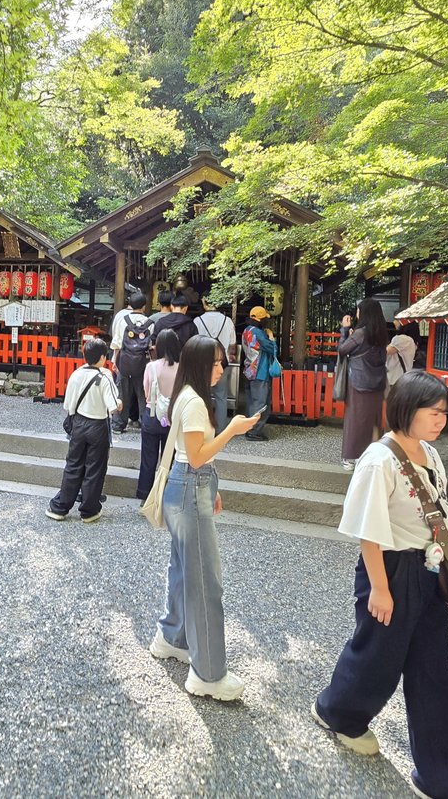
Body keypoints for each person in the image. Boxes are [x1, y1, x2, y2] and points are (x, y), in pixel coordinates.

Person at [314, 371, 448, 799]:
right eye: (433, 412)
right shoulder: (379, 458)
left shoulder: (429, 453)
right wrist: (380, 589)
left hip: (427, 569)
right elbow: (367, 531)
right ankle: (338, 713)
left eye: (445, 412)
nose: (440, 420)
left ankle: (446, 777)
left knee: (433, 669)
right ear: (407, 409)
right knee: (378, 656)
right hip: (388, 568)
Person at [149, 335, 259, 701]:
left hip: (187, 486)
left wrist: (212, 487)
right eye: (214, 363)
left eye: (221, 363)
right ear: (198, 363)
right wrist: (232, 430)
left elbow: (192, 456)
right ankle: (208, 674)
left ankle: (174, 636)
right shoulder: (196, 402)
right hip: (190, 486)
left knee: (184, 569)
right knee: (206, 583)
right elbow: (197, 457)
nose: (220, 369)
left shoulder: (187, 396)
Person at [46, 338, 120, 523]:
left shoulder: (76, 374)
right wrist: (120, 403)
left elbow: (67, 405)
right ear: (103, 357)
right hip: (98, 426)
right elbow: (113, 406)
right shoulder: (105, 376)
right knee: (94, 469)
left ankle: (60, 508)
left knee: (73, 465)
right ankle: (89, 510)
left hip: (78, 424)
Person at [338, 299, 389, 468]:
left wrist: (345, 331)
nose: (357, 313)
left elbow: (343, 350)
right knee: (372, 420)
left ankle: (351, 457)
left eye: (359, 310)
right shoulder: (382, 334)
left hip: (359, 382)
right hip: (378, 382)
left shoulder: (361, 333)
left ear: (364, 312)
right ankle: (369, 456)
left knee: (355, 419)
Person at [136, 329, 181, 502]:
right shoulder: (183, 367)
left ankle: (145, 497)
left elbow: (147, 392)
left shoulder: (151, 367)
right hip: (174, 416)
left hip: (153, 414)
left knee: (148, 458)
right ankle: (166, 496)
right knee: (170, 459)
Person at [110, 292, 151, 433]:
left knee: (122, 394)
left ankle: (118, 425)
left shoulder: (123, 320)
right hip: (142, 365)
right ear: (144, 306)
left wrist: (115, 362)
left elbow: (116, 344)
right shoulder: (149, 323)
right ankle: (145, 424)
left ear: (130, 305)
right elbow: (151, 347)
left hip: (124, 363)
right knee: (143, 395)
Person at [195, 299, 237, 434]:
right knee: (221, 397)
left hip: (202, 363)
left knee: (201, 396)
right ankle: (220, 430)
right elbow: (232, 346)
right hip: (221, 363)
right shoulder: (228, 321)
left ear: (204, 303)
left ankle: (203, 428)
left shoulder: (197, 321)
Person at [240, 306, 280, 441]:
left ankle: (248, 427)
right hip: (260, 371)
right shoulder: (259, 333)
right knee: (261, 402)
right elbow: (273, 349)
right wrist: (271, 337)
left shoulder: (246, 330)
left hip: (248, 369)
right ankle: (254, 431)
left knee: (252, 401)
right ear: (260, 319)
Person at [386, 321, 417, 389]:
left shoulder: (402, 339)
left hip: (394, 379)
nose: (394, 322)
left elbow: (385, 352)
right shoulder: (411, 341)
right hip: (401, 379)